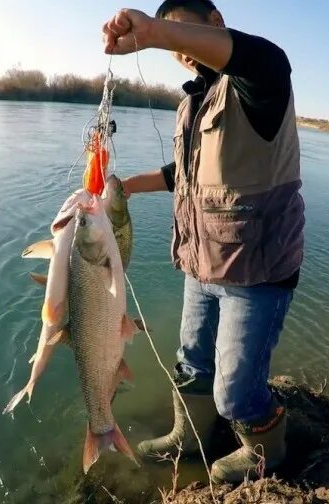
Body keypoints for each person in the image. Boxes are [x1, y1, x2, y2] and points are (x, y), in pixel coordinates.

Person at [102, 0, 305, 484]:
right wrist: (127, 186)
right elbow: (185, 175)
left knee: (235, 393)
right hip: (201, 264)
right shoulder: (193, 101)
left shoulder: (262, 79)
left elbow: (250, 56)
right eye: (169, 43)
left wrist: (154, 32)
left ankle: (266, 453)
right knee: (191, 362)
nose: (178, 50)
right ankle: (189, 436)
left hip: (256, 274)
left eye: (181, 35)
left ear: (216, 24)